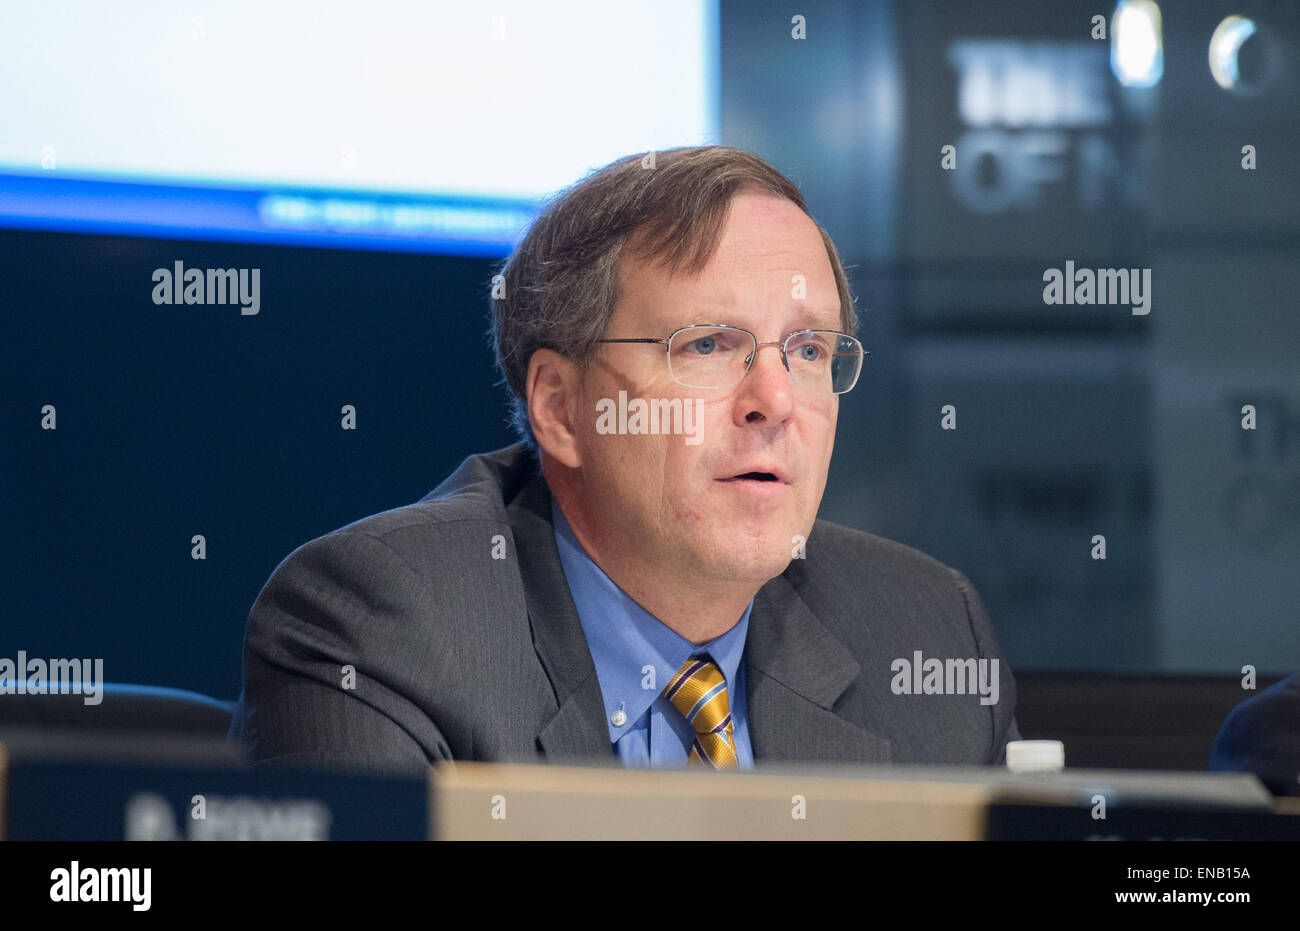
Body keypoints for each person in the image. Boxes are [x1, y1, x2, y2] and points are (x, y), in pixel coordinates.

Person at [229, 145, 1022, 775]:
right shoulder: (383, 626)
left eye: (809, 349)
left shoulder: (927, 635)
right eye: (709, 344)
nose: (776, 401)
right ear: (561, 407)